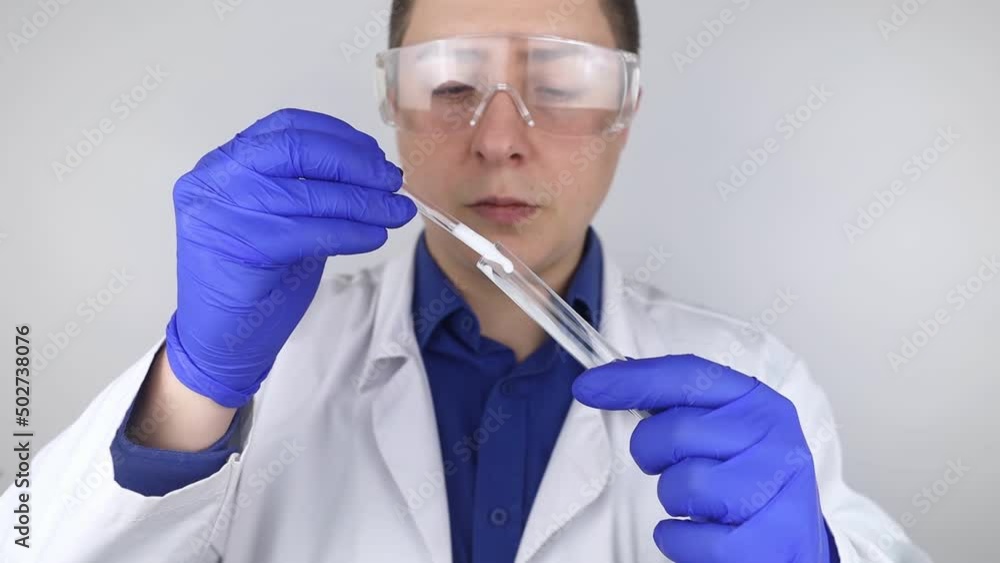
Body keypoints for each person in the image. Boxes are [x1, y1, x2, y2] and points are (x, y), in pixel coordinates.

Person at [1, 0, 932, 562]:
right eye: (449, 81)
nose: (497, 137)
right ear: (391, 99)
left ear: (628, 110)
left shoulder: (750, 379)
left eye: (563, 82)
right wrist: (193, 386)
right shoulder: (267, 362)